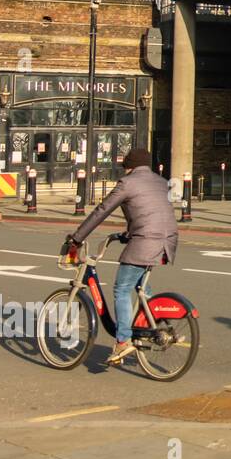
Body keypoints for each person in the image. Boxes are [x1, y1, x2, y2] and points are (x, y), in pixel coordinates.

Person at [61, 147, 178, 366]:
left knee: (121, 288)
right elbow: (151, 212)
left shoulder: (128, 183)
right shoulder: (161, 182)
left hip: (146, 240)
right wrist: (127, 235)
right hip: (167, 241)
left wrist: (77, 237)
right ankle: (153, 325)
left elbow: (102, 210)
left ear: (129, 166)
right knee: (141, 287)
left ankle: (123, 341)